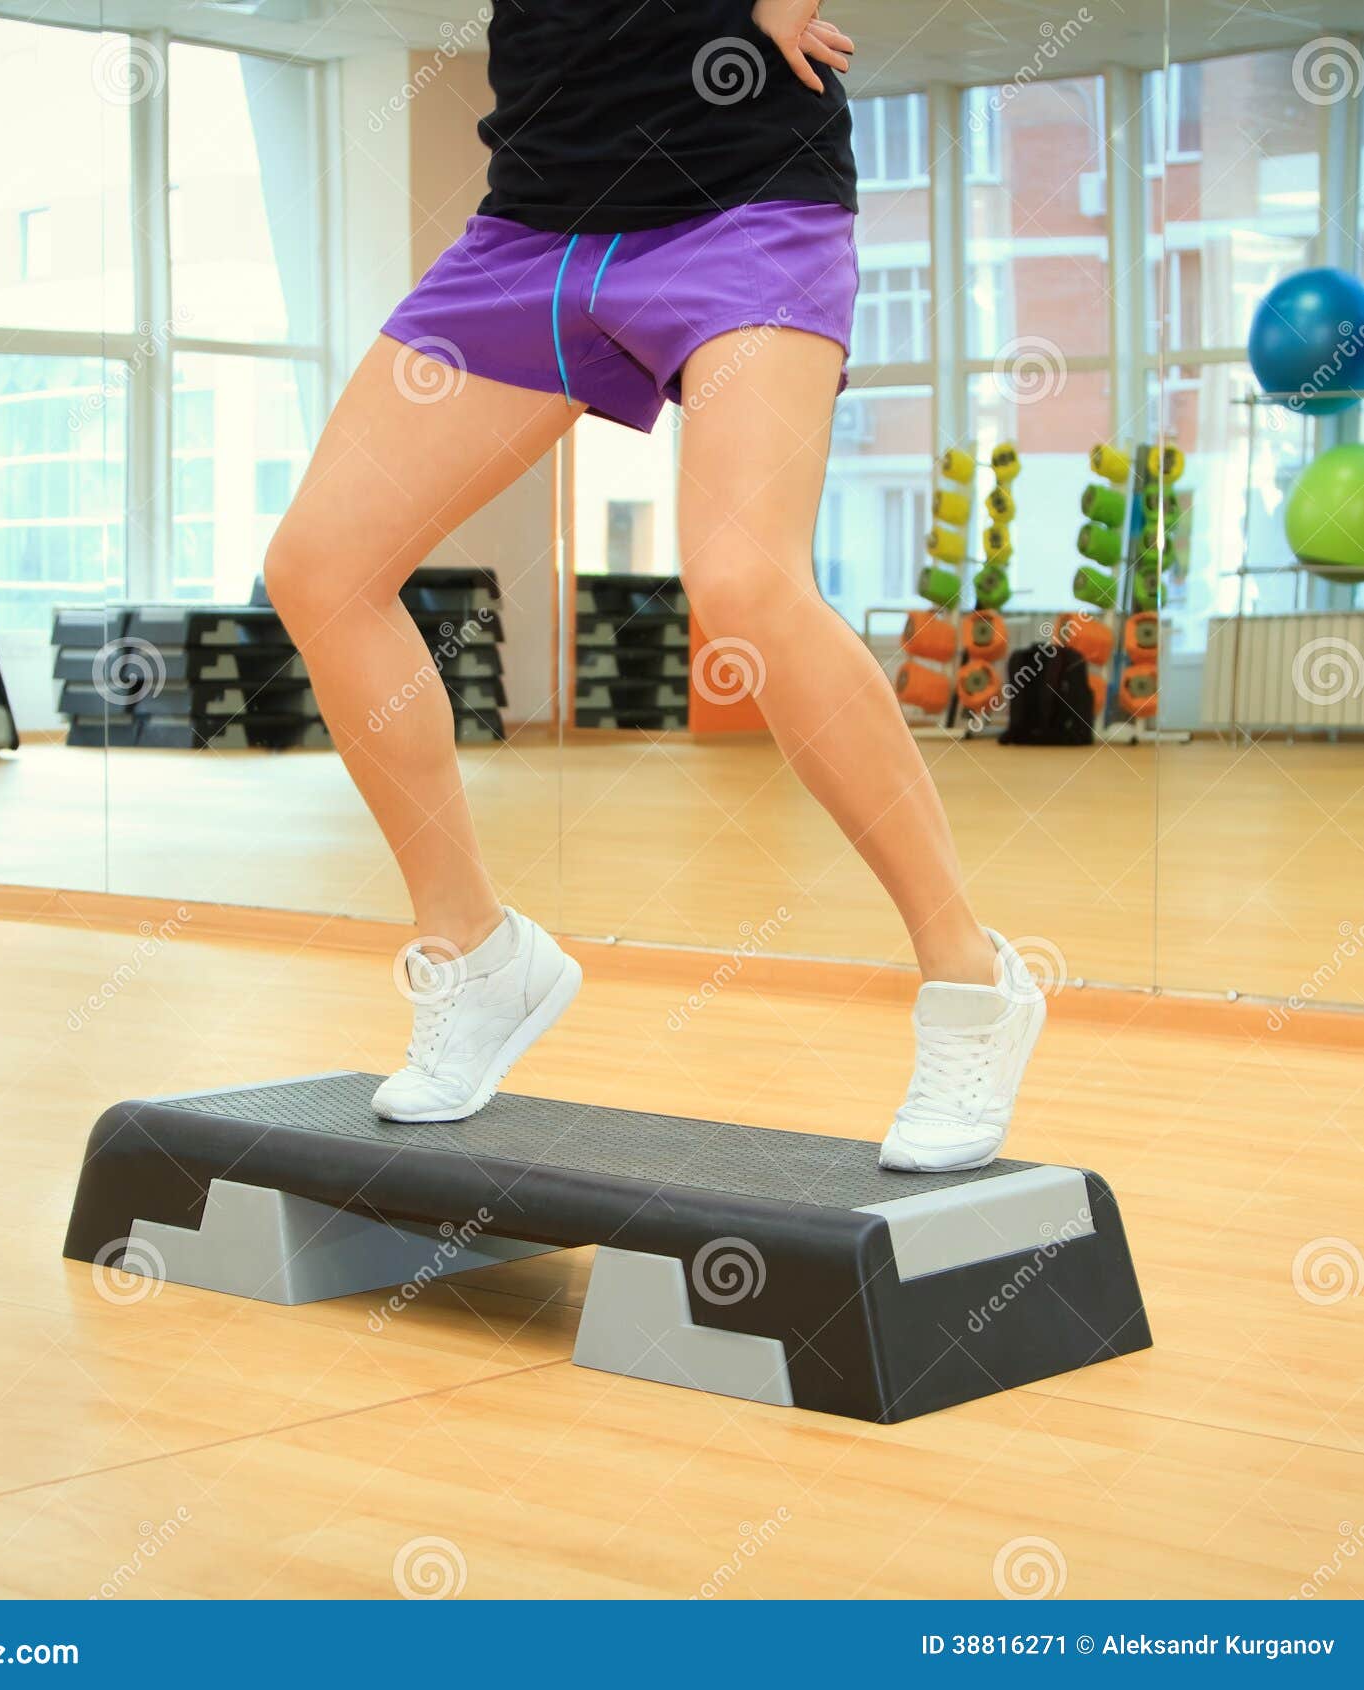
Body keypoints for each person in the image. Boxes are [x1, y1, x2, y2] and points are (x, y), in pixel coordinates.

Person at [263, 1, 1044, 1173]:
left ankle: (971, 979)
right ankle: (477, 954)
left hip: (745, 201)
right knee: (319, 569)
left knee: (741, 579)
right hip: (534, 221)